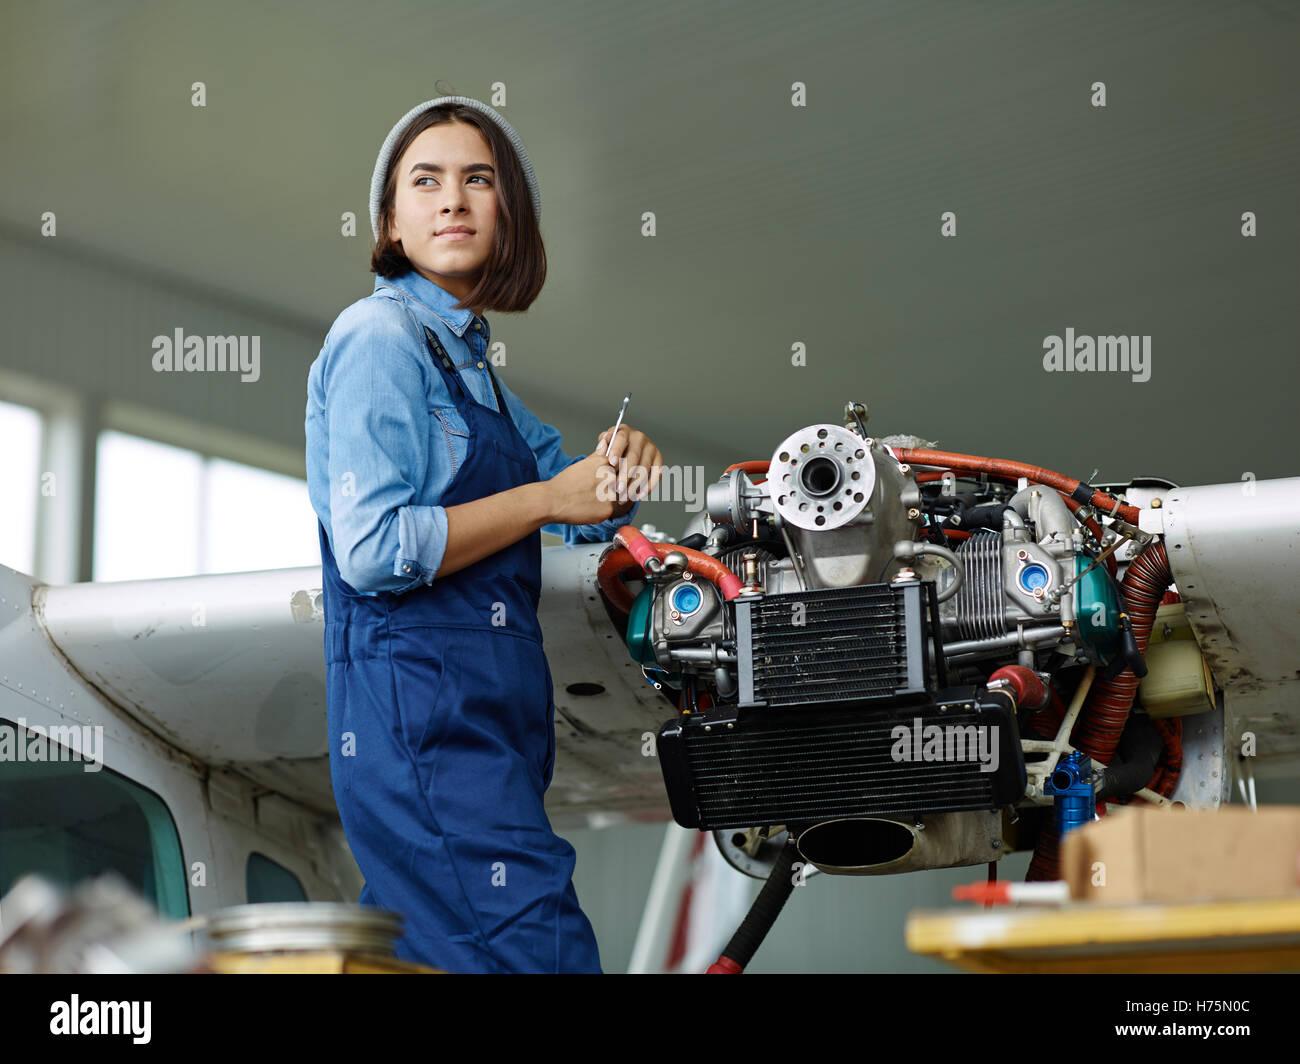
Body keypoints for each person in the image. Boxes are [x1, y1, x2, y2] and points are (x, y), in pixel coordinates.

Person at [303, 96, 664, 973]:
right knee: (544, 955)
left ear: (509, 217)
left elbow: (582, 514)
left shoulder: (476, 374)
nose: (452, 199)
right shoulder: (378, 337)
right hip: (424, 730)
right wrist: (549, 500)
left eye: (478, 179)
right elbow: (376, 548)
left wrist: (615, 474)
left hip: (487, 738)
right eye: (424, 181)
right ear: (392, 220)